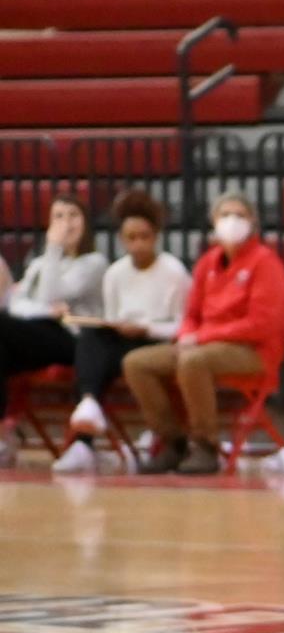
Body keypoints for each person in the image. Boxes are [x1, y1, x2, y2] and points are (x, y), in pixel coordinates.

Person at [125, 191, 284, 476]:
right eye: (225, 215)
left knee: (194, 361)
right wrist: (187, 335)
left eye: (240, 215)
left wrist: (201, 338)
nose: (232, 221)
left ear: (253, 222)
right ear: (214, 222)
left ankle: (205, 445)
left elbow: (260, 324)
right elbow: (192, 314)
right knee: (137, 363)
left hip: (252, 351)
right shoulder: (208, 262)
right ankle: (172, 440)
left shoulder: (265, 262)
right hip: (205, 345)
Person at [55, 188, 188, 474]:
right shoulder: (115, 273)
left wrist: (147, 327)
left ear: (156, 237)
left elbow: (183, 324)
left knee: (106, 361)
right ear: (121, 240)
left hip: (158, 342)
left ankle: (84, 435)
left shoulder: (174, 272)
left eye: (145, 237)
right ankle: (88, 410)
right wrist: (115, 325)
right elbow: (112, 316)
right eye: (131, 238)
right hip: (123, 339)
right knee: (91, 338)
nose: (138, 244)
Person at [0, 193, 107, 467]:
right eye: (58, 216)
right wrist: (43, 310)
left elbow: (50, 293)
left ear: (85, 223)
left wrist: (53, 248)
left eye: (73, 216)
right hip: (39, 333)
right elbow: (16, 303)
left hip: (75, 341)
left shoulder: (93, 263)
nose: (65, 223)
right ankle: (3, 431)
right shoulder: (38, 265)